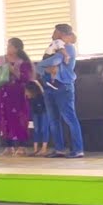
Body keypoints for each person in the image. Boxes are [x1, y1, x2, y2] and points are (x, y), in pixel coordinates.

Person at [36, 23, 85, 158]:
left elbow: (55, 61)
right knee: (53, 120)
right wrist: (43, 67)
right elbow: (41, 69)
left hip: (63, 87)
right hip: (49, 87)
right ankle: (59, 149)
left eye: (56, 32)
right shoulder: (53, 48)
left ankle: (78, 149)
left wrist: (42, 65)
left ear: (63, 34)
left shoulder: (68, 48)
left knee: (69, 118)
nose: (53, 34)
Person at [0, 38, 33, 156]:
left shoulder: (23, 62)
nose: (8, 49)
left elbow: (26, 78)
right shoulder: (1, 59)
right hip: (2, 93)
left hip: (17, 94)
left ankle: (22, 146)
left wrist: (13, 70)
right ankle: (9, 146)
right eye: (7, 46)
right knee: (4, 117)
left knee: (19, 119)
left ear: (17, 48)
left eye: (10, 46)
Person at [26, 81, 50, 157]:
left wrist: (39, 84)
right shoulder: (30, 99)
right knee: (36, 129)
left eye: (27, 91)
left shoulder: (40, 95)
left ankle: (44, 148)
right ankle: (35, 149)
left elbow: (44, 94)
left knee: (44, 129)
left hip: (44, 111)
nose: (26, 93)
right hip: (35, 112)